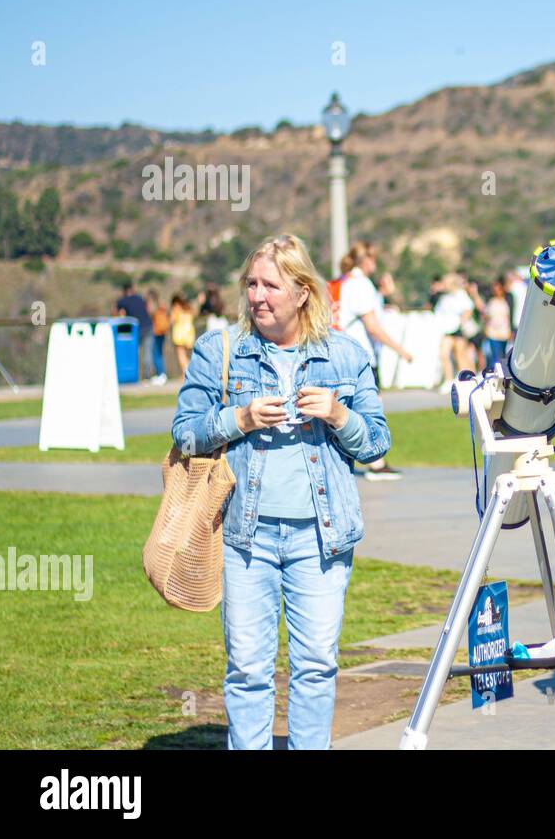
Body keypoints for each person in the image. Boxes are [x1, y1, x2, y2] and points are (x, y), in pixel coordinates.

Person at [171, 233, 390, 749]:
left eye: (271, 285)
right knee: (248, 668)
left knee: (316, 665)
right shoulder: (220, 350)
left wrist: (339, 415)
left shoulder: (345, 355)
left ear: (302, 293)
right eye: (251, 283)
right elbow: (184, 431)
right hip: (246, 539)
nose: (257, 296)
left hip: (322, 539)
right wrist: (238, 418)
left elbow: (377, 442)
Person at [337, 241, 413, 480]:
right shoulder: (361, 285)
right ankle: (376, 462)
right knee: (370, 405)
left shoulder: (348, 282)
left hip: (347, 352)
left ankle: (362, 458)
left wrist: (383, 294)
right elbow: (372, 326)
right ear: (367, 261)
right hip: (362, 356)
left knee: (351, 405)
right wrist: (400, 349)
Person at [115, 282, 155, 381]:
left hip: (135, 330)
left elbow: (120, 314)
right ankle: (147, 376)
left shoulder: (122, 301)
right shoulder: (140, 298)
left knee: (134, 353)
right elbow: (149, 310)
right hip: (148, 327)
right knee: (147, 353)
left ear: (124, 291)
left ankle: (134, 376)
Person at [472, 277, 512, 369]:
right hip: (492, 332)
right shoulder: (491, 302)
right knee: (495, 355)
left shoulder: (507, 301)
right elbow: (485, 313)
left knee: (503, 355)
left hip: (504, 332)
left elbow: (509, 317)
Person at [170, 294, 197, 377]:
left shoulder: (176, 309)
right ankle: (187, 372)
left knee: (181, 356)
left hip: (179, 334)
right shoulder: (189, 309)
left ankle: (186, 373)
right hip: (189, 334)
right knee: (186, 355)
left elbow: (171, 320)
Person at [147, 289, 170, 385]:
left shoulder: (154, 306)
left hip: (157, 332)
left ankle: (161, 374)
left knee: (156, 353)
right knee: (159, 353)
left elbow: (150, 313)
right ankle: (161, 373)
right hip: (163, 331)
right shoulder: (162, 305)